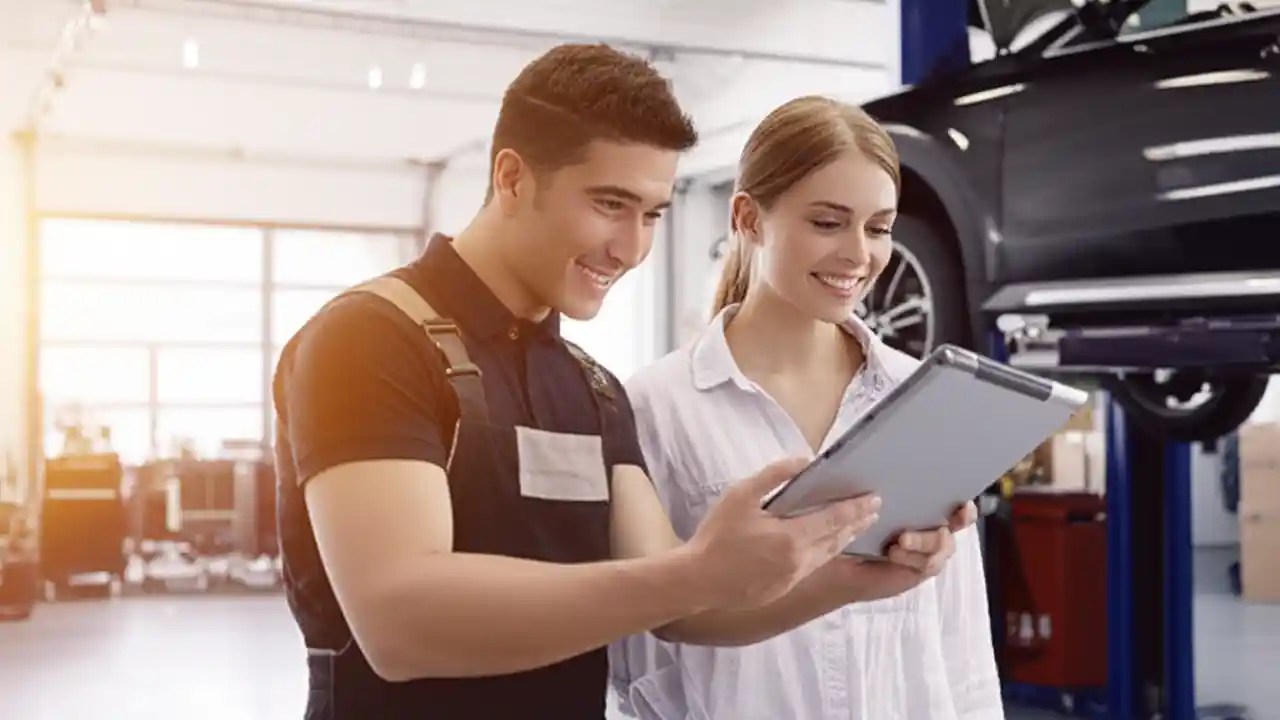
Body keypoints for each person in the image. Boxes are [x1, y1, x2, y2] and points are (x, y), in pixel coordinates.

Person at [273, 45, 970, 720]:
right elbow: (401, 621)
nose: (633, 248)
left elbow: (683, 608)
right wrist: (700, 569)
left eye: (653, 214)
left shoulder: (593, 390)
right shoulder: (369, 339)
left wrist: (856, 579)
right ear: (512, 178)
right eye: (610, 204)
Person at [609, 96, 1003, 720]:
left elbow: (962, 644)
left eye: (878, 228)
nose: (858, 254)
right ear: (749, 218)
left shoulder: (923, 396)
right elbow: (640, 649)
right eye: (827, 222)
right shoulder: (653, 408)